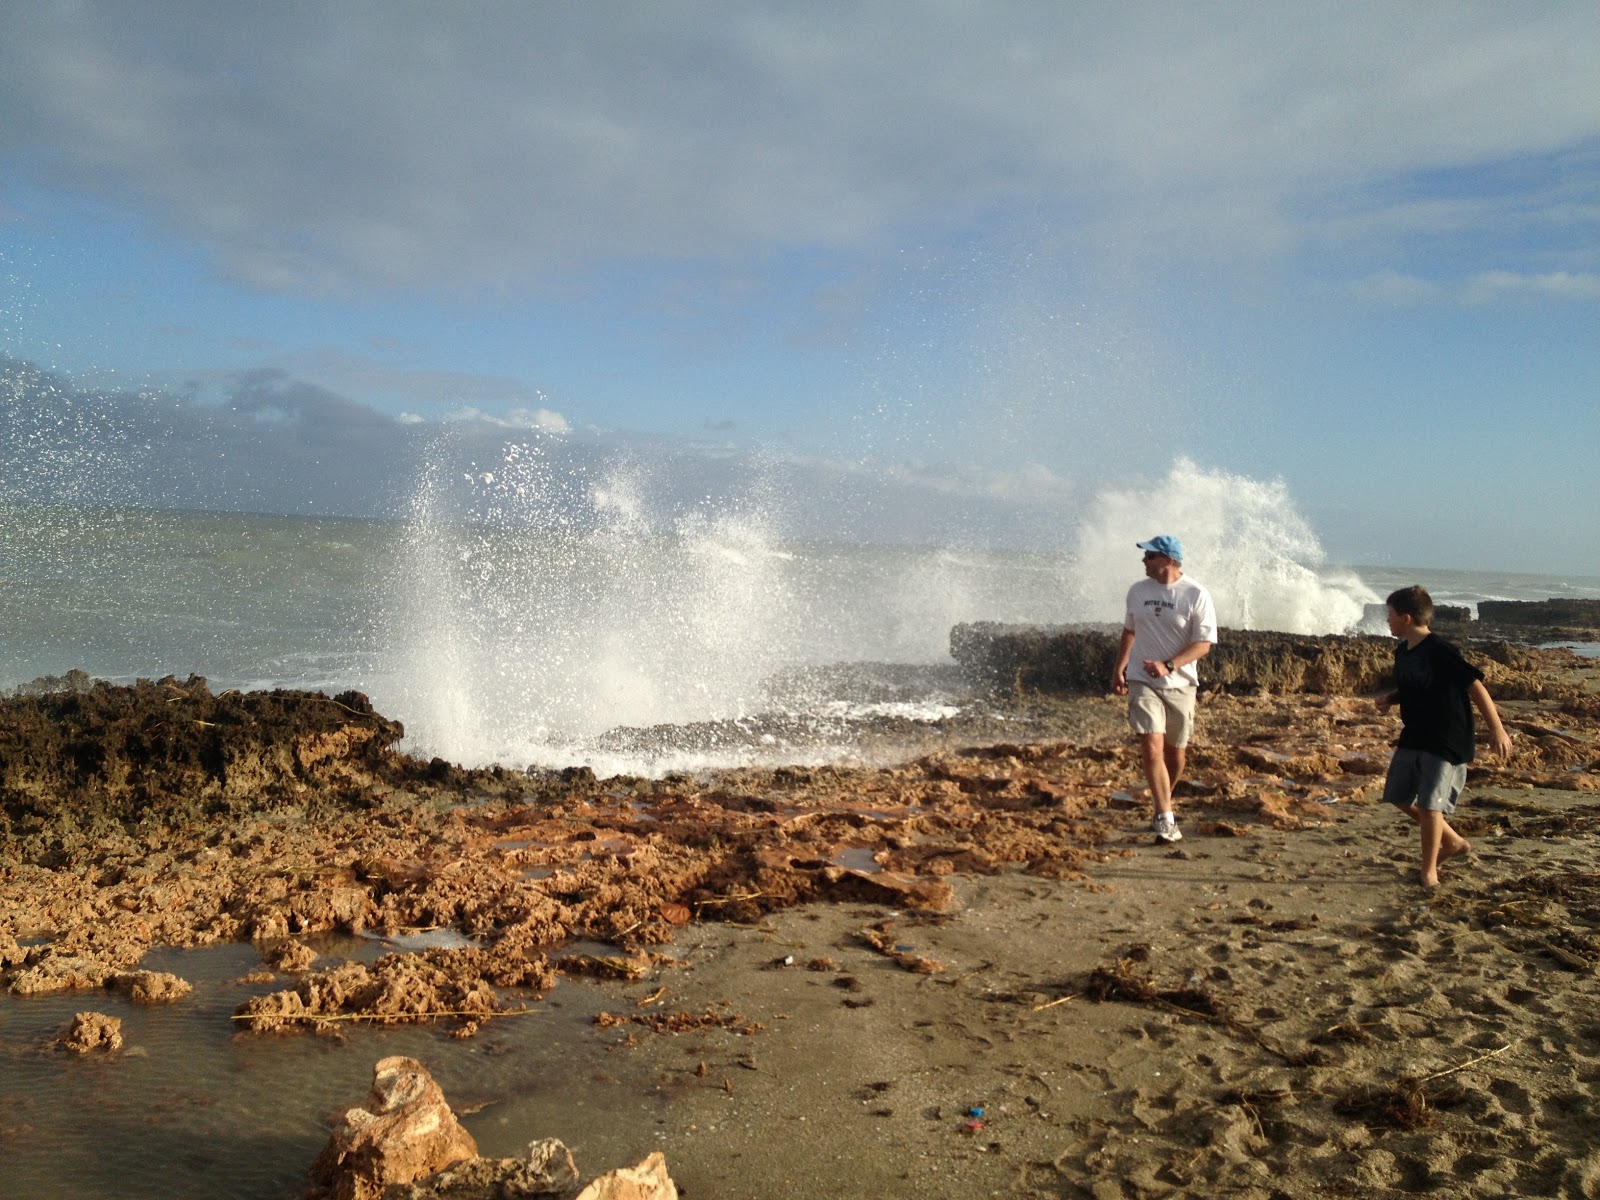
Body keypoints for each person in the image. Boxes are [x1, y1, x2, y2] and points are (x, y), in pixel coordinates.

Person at [1377, 585, 1513, 888]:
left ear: (1407, 618)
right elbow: (1416, 686)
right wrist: (1391, 699)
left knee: (1429, 806)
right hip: (1415, 734)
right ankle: (1452, 842)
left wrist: (1497, 729)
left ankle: (1429, 873)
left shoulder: (1439, 650)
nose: (1387, 621)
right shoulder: (1403, 651)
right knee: (1397, 795)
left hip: (1446, 738)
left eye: (1390, 615)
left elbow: (1475, 686)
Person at [1111, 535, 1218, 844]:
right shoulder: (1137, 591)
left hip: (1180, 683)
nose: (1144, 561)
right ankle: (1165, 816)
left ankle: (1163, 800)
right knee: (1151, 745)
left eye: (1150, 556)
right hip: (1142, 680)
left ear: (1169, 560)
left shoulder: (1196, 594)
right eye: (1145, 557)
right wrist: (1120, 667)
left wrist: (1169, 665)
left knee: (1175, 754)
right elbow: (1130, 630)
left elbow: (1204, 644)